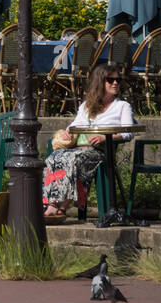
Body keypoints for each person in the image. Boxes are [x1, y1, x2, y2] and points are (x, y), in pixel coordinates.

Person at [42, 64, 133, 219]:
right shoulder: (87, 105)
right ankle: (51, 204)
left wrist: (105, 137)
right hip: (79, 147)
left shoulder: (122, 106)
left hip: (101, 150)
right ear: (100, 82)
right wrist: (67, 132)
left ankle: (61, 207)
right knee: (53, 157)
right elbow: (75, 125)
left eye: (118, 79)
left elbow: (128, 133)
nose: (116, 83)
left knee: (72, 159)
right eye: (110, 80)